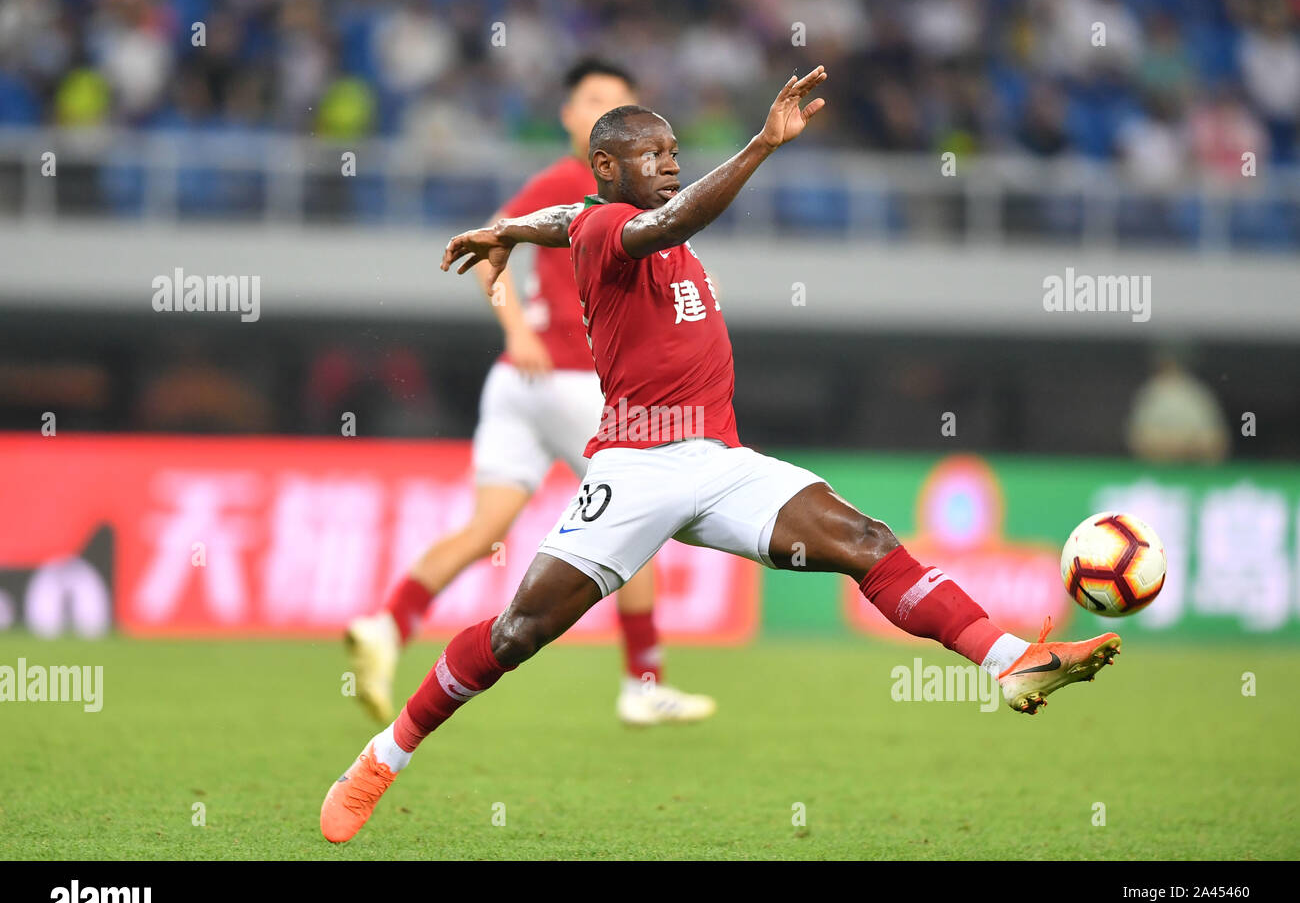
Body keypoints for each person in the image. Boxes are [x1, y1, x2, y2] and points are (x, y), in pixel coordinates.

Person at [322, 66, 1122, 844]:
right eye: (653, 153)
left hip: (720, 461)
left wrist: (507, 229)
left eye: (675, 151)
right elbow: (629, 223)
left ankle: (1012, 660)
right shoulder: (623, 228)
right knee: (516, 634)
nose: (671, 163)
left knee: (869, 542)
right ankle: (380, 759)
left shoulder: (596, 219)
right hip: (635, 469)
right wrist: (763, 144)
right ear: (608, 167)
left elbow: (564, 218)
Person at [345, 58, 715, 728]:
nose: (611, 112)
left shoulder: (587, 185)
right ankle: (644, 681)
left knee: (487, 526)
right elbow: (494, 237)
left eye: (622, 102)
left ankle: (388, 622)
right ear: (574, 120)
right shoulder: (576, 180)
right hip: (569, 378)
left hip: (517, 384)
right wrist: (521, 330)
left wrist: (517, 338)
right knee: (644, 513)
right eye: (597, 101)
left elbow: (498, 243)